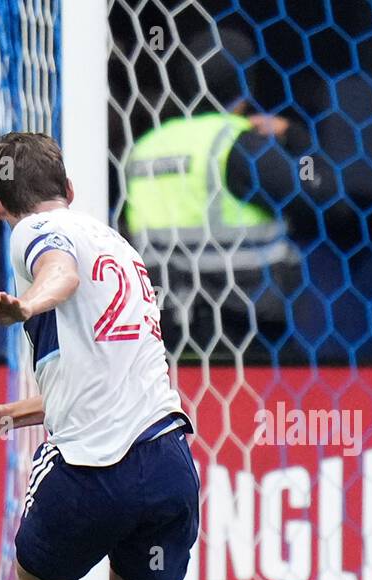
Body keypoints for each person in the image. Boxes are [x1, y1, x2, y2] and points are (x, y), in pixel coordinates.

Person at [0, 132, 327, 580]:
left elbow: (56, 276)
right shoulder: (120, 249)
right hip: (168, 458)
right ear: (70, 189)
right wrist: (14, 415)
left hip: (95, 468)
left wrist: (25, 306)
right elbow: (99, 373)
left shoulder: (32, 235)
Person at [123, 28, 338, 362]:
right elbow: (325, 197)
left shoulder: (147, 146)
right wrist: (298, 139)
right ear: (247, 83)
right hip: (244, 330)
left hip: (161, 332)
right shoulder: (239, 143)